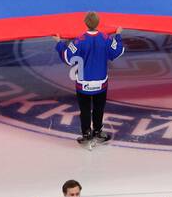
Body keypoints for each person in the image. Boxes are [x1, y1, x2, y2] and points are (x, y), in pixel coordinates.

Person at [53, 12, 124, 145]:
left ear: (85, 23)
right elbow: (118, 51)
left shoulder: (79, 40)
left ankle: (86, 134)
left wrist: (59, 44)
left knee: (84, 109)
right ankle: (98, 131)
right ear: (98, 23)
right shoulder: (106, 38)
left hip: (83, 83)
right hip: (101, 82)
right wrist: (118, 36)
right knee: (99, 108)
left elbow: (68, 58)